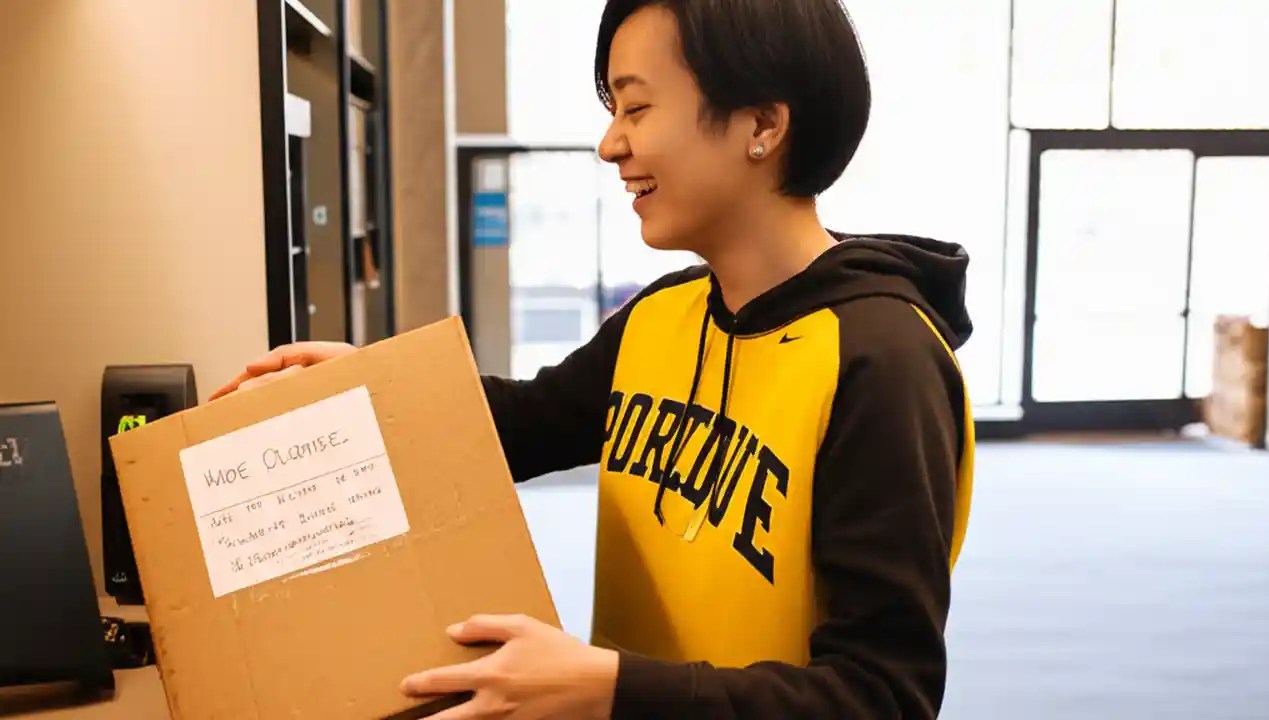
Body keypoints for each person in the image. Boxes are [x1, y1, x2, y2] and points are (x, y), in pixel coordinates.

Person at [212, 0, 975, 717]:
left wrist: (612, 690)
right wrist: (364, 388)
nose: (611, 144)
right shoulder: (661, 315)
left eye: (637, 108)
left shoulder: (884, 361)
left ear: (762, 124)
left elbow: (882, 694)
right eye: (613, 111)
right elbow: (518, 424)